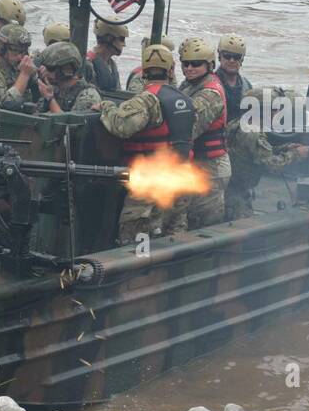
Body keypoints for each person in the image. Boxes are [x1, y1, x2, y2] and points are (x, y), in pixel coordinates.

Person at [98, 44, 195, 243]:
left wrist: (105, 106)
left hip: (150, 183)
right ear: (171, 70)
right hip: (180, 179)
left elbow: (121, 126)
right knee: (173, 238)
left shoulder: (147, 100)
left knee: (135, 241)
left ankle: (138, 272)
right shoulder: (185, 100)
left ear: (144, 71)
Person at [225, 87, 309, 220]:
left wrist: (285, 148)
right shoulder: (253, 133)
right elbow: (272, 165)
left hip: (231, 187)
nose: (277, 113)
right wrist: (296, 154)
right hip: (237, 194)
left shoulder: (236, 124)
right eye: (273, 109)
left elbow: (254, 152)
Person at [177, 37, 229, 230]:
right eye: (185, 63)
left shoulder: (210, 93)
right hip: (197, 163)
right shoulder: (189, 85)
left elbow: (189, 129)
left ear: (209, 65)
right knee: (189, 216)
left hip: (210, 168)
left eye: (196, 64)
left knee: (206, 224)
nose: (189, 68)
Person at [36, 42, 103, 113]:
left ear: (66, 69)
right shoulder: (55, 90)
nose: (45, 72)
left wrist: (50, 99)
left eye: (50, 69)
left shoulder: (88, 95)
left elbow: (71, 122)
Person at [215, 34, 252, 123]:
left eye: (236, 57)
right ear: (220, 57)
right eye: (227, 56)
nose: (232, 60)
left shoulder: (246, 85)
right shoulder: (211, 84)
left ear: (242, 60)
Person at [85, 17, 127, 91]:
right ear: (109, 38)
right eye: (121, 39)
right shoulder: (88, 64)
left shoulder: (111, 64)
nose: (124, 44)